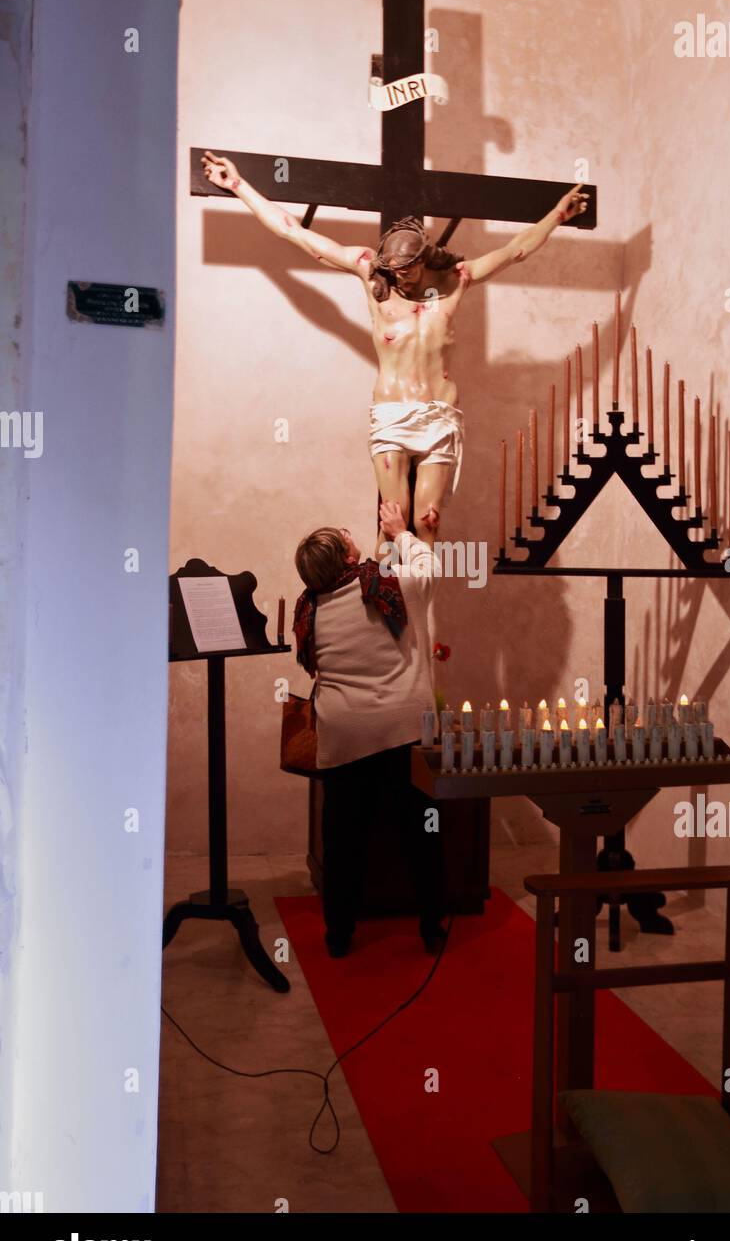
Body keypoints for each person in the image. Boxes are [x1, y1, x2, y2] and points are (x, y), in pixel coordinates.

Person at [201, 149, 589, 544]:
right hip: (392, 415)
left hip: (438, 416)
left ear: (424, 258)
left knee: (429, 522)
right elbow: (295, 232)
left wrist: (557, 215)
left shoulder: (456, 280)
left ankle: (417, 604)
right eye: (394, 270)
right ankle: (385, 603)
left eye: (408, 269)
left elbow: (515, 250)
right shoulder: (373, 274)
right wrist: (237, 185)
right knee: (393, 522)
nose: (400, 278)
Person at [293, 498, 445, 957]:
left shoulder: (309, 609)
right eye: (346, 536)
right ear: (347, 557)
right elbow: (429, 569)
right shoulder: (386, 584)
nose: (351, 533)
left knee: (343, 844)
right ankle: (432, 930)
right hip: (402, 730)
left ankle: (339, 935)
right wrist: (402, 531)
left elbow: (314, 665)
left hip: (344, 737)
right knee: (422, 833)